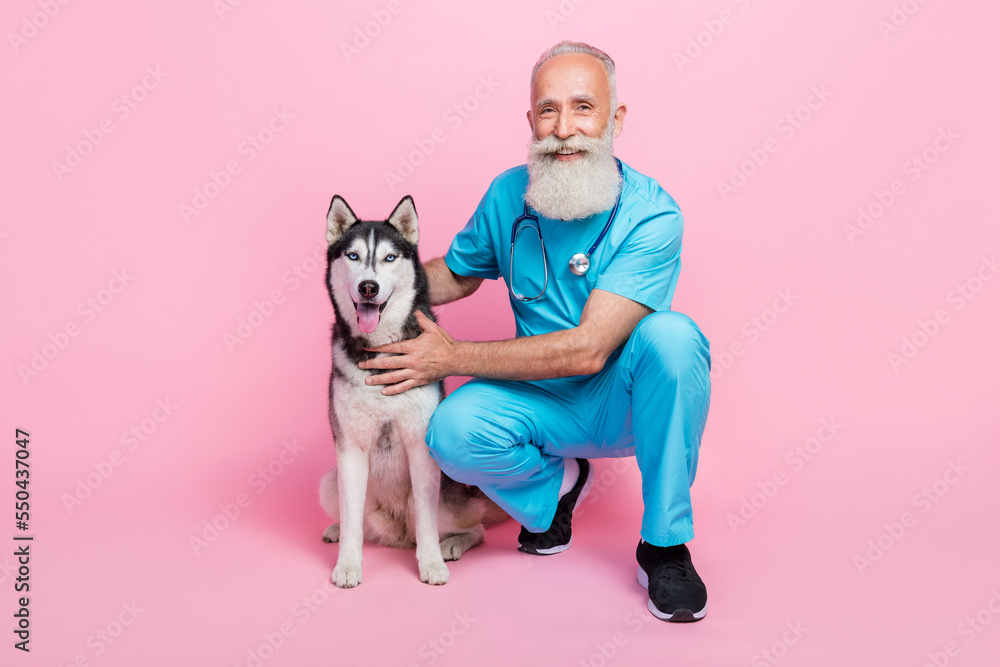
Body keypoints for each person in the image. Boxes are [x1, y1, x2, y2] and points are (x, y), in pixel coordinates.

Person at [358, 41, 713, 622]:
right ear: (530, 122)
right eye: (548, 110)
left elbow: (590, 348)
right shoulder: (509, 195)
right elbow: (455, 273)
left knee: (673, 337)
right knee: (450, 430)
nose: (564, 129)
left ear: (615, 120)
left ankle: (666, 545)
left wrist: (449, 356)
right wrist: (375, 280)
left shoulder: (654, 214)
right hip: (538, 401)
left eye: (582, 108)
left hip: (622, 401)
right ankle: (557, 490)